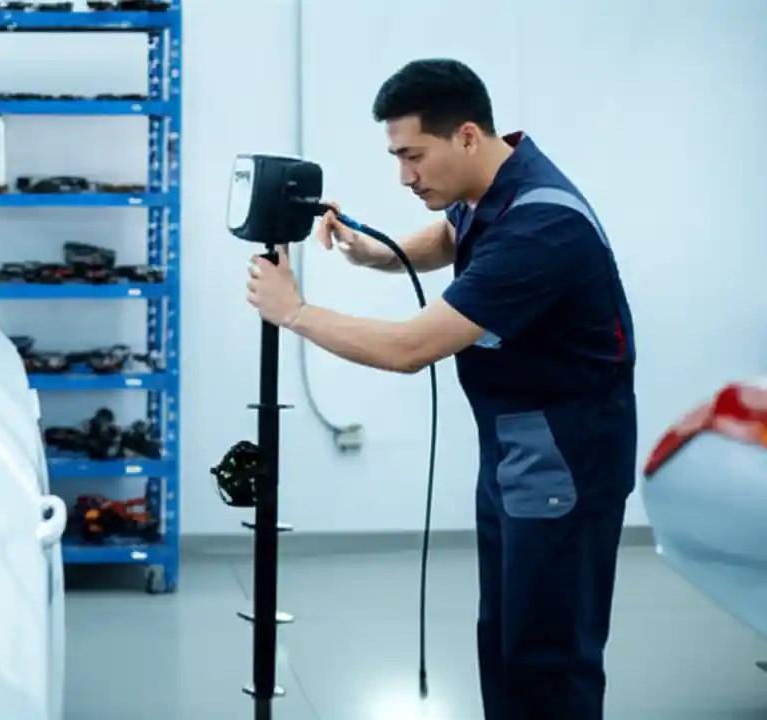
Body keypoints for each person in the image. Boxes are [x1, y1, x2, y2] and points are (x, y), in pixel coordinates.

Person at [246, 58, 637, 719]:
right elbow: (453, 232)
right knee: (506, 639)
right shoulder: (494, 187)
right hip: (517, 451)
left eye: (412, 156)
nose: (405, 175)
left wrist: (294, 312)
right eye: (397, 157)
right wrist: (370, 251)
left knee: (549, 655)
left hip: (566, 460)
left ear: (465, 135)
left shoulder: (543, 227)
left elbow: (410, 349)